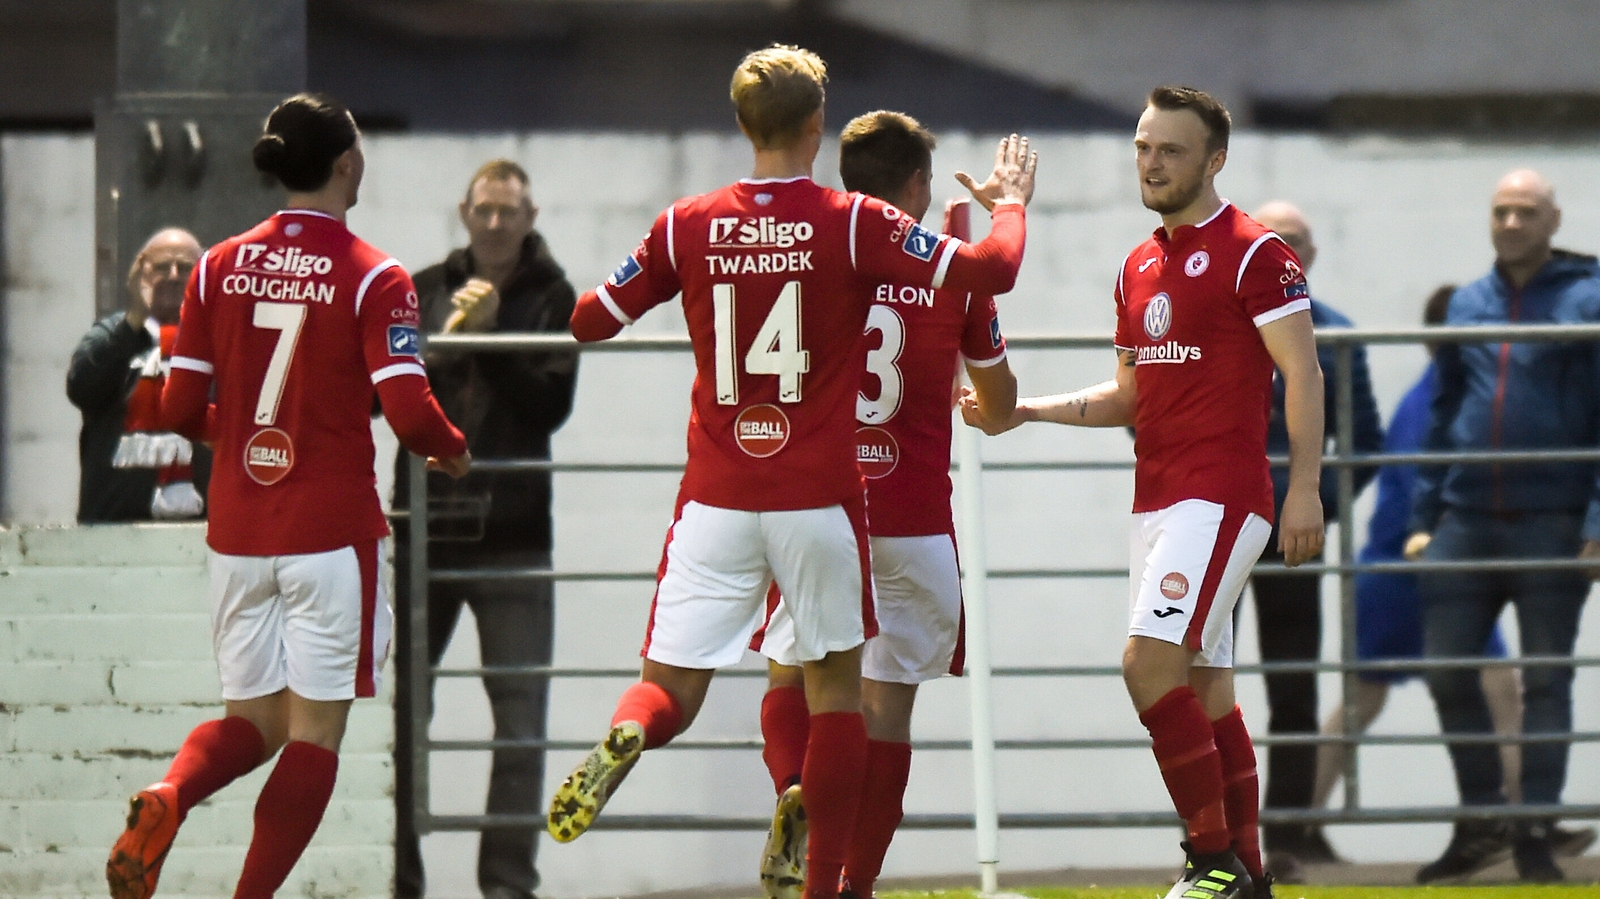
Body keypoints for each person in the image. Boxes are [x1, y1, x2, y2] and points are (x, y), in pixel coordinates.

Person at [547, 45, 1036, 899]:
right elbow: (993, 269)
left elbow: (589, 320)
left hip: (716, 498)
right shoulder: (853, 223)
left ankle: (635, 732)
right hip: (824, 501)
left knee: (673, 686)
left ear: (743, 124)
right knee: (842, 696)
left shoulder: (685, 222)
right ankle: (829, 888)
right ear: (817, 125)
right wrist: (1012, 206)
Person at [104, 93, 470, 899]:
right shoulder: (376, 275)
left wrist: (237, 433)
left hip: (238, 532)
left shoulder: (216, 265)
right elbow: (409, 412)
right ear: (346, 163)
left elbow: (176, 408)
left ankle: (172, 791)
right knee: (314, 735)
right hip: (330, 532)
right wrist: (450, 446)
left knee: (254, 722)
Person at [963, 85, 1325, 899]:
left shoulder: (1256, 252)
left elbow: (1303, 373)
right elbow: (1130, 396)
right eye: (1142, 147)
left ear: (1215, 160)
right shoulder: (1137, 264)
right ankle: (1248, 875)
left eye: (1170, 150)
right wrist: (1022, 410)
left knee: (1146, 664)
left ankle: (1210, 859)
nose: (1151, 164)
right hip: (1157, 500)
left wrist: (1305, 487)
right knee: (1206, 688)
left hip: (1221, 497)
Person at [750, 111, 1019, 899]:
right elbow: (1000, 405)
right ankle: (855, 884)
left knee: (791, 677)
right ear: (917, 185)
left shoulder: (807, 258)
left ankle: (794, 791)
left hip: (822, 509)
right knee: (887, 714)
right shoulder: (953, 270)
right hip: (916, 522)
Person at [1309, 284, 1595, 863]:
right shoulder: (1450, 402)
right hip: (1418, 567)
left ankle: (1304, 820)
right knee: (1480, 693)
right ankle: (1526, 822)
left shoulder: (1433, 397)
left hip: (1402, 566)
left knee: (1386, 700)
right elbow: (1438, 485)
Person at [1404, 169, 1600, 884]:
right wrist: (1425, 514)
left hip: (1554, 521)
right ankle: (1484, 816)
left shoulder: (1589, 299)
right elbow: (1444, 409)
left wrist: (1597, 520)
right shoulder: (1468, 302)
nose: (1512, 223)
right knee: (1446, 668)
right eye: (1501, 211)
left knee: (1545, 679)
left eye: (1526, 212)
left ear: (1554, 221)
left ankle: (1536, 831)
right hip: (1465, 519)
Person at [391, 158, 578, 899]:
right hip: (422, 530)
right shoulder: (420, 289)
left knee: (521, 723)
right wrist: (439, 346)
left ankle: (506, 886)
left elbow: (549, 407)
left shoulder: (553, 296)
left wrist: (492, 341)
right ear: (464, 214)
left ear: (530, 219)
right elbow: (380, 397)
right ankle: (399, 880)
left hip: (513, 531)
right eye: (485, 210)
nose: (496, 224)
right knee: (400, 719)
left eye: (509, 212)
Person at [1241, 201, 1383, 882]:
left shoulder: (1336, 335)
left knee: (1293, 685)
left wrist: (1317, 504)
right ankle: (1211, 834)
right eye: (1271, 239)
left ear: (1313, 255)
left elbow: (1367, 441)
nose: (1283, 251)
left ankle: (1286, 837)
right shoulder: (1218, 317)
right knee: (1198, 677)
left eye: (1293, 241)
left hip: (1292, 530)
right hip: (1212, 520)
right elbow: (1151, 409)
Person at [67, 227, 211, 522]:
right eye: (161, 267)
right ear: (139, 276)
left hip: (207, 532)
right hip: (114, 530)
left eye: (185, 268)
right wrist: (135, 318)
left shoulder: (222, 340)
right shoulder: (113, 334)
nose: (173, 276)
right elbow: (82, 388)